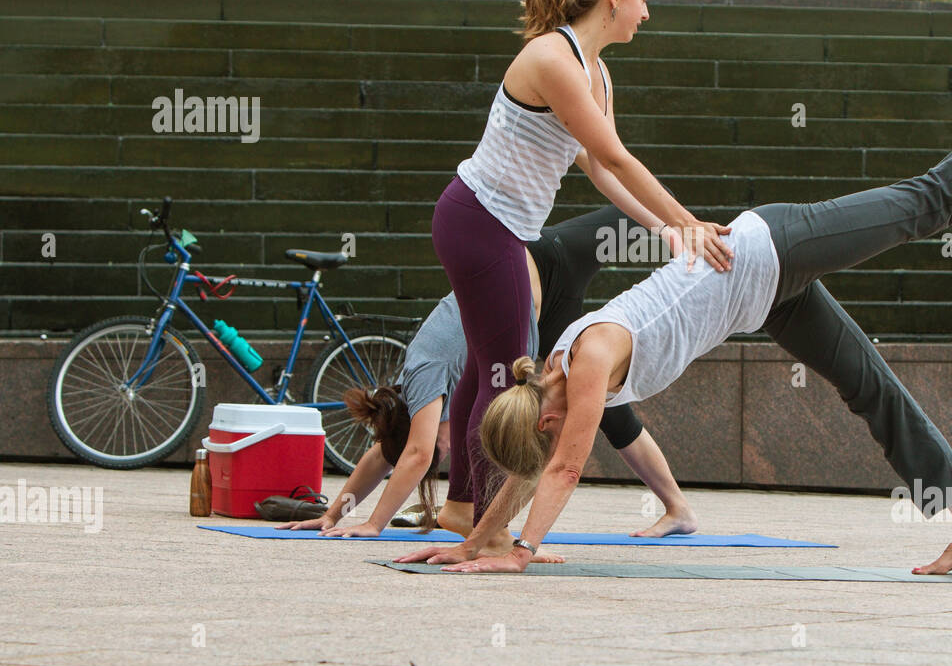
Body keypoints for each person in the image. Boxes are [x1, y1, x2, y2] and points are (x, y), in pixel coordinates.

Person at [396, 93, 952, 574]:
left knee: (920, 205)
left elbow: (557, 469)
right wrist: (474, 542)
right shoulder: (552, 374)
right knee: (868, 384)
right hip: (760, 298)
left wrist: (518, 552)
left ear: (547, 416)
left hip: (768, 248)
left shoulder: (584, 362)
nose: (557, 438)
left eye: (550, 432)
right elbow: (536, 462)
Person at [433, 0, 735, 531]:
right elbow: (614, 158)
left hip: (495, 226)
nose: (646, 13)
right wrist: (687, 223)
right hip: (479, 222)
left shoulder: (595, 69)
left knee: (482, 369)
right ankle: (481, 527)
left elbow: (596, 169)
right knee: (503, 378)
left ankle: (460, 511)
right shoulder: (551, 58)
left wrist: (669, 232)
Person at [279, 204, 698, 553]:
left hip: (542, 263)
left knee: (626, 215)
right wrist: (334, 514)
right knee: (603, 404)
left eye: (441, 442)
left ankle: (704, 233)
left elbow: (415, 455)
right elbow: (388, 453)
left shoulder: (425, 374)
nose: (447, 449)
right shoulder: (420, 399)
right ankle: (678, 508)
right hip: (535, 310)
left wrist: (373, 524)